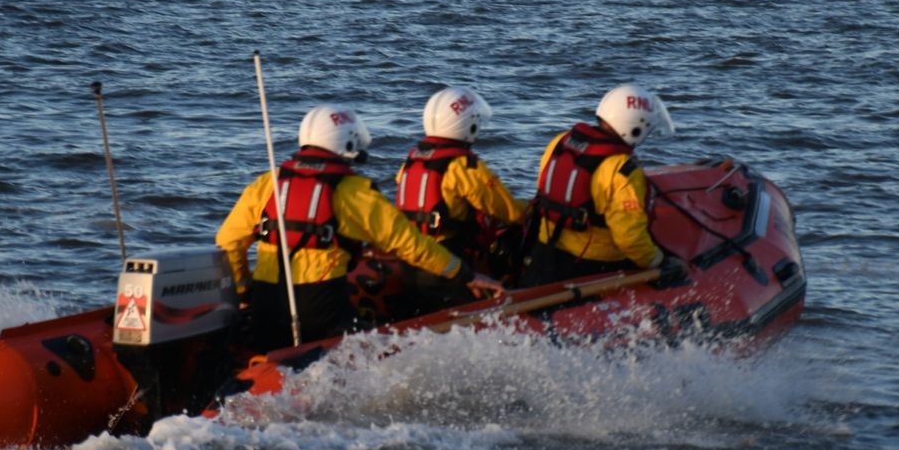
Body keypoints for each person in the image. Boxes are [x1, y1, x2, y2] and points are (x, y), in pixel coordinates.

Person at [217, 104, 503, 350]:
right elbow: (412, 246)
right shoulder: (355, 191)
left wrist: (243, 293)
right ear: (349, 144)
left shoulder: (266, 183)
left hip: (266, 307)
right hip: (323, 312)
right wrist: (463, 273)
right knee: (381, 340)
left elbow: (228, 241)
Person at [519, 83, 684, 287]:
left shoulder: (560, 142)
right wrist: (659, 262)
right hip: (592, 262)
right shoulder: (624, 171)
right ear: (635, 127)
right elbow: (629, 238)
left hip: (544, 248)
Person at [392, 86, 527, 308]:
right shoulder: (465, 166)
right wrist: (534, 210)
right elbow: (511, 212)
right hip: (448, 262)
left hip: (410, 259)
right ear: (468, 125)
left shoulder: (411, 162)